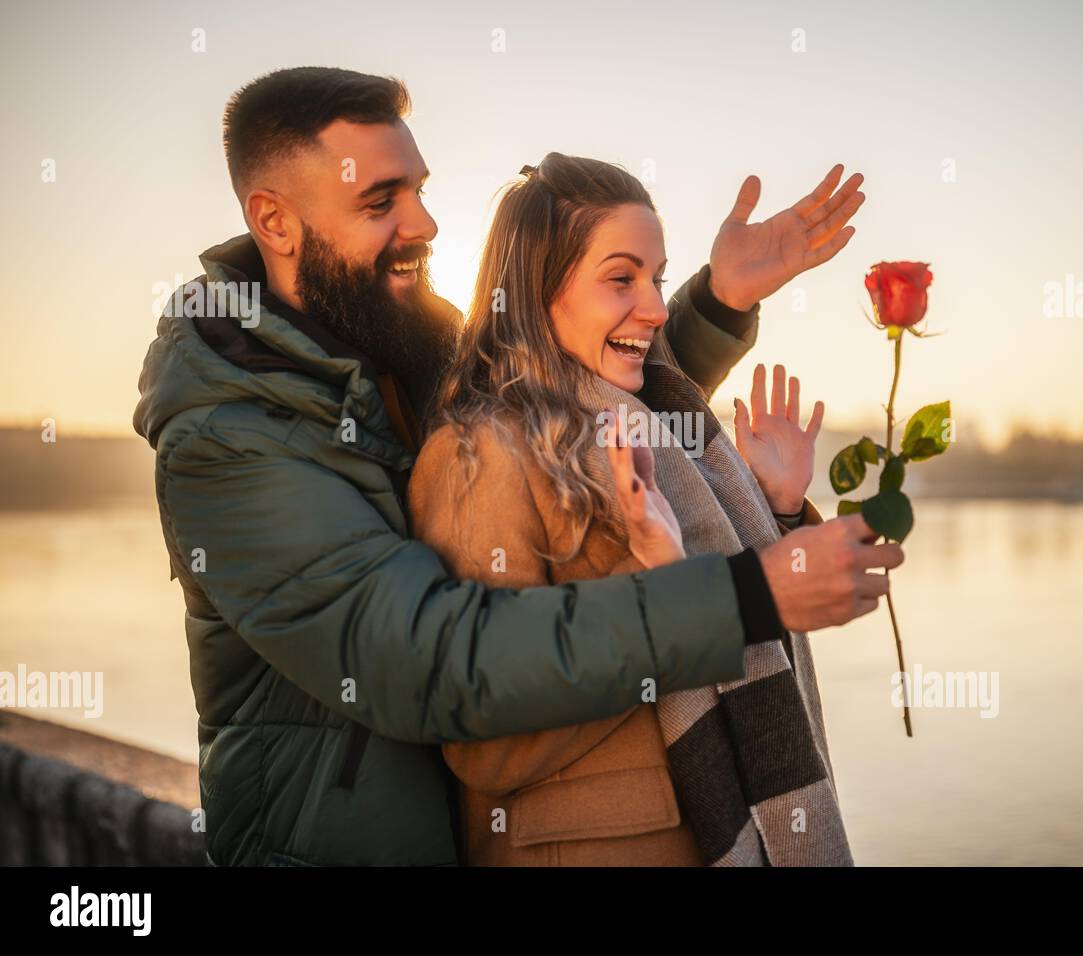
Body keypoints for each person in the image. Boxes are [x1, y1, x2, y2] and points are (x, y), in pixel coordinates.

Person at [133, 66, 899, 866]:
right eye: (380, 200)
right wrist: (740, 598)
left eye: (420, 189)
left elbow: (573, 422)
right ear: (275, 220)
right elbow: (428, 663)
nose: (424, 222)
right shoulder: (231, 435)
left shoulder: (412, 342)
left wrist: (720, 302)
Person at [411, 154, 877, 865]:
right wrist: (654, 578)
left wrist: (775, 511)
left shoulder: (654, 424)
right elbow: (485, 741)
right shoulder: (480, 454)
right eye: (621, 278)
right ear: (537, 293)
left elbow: (740, 610)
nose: (657, 307)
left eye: (658, 278)